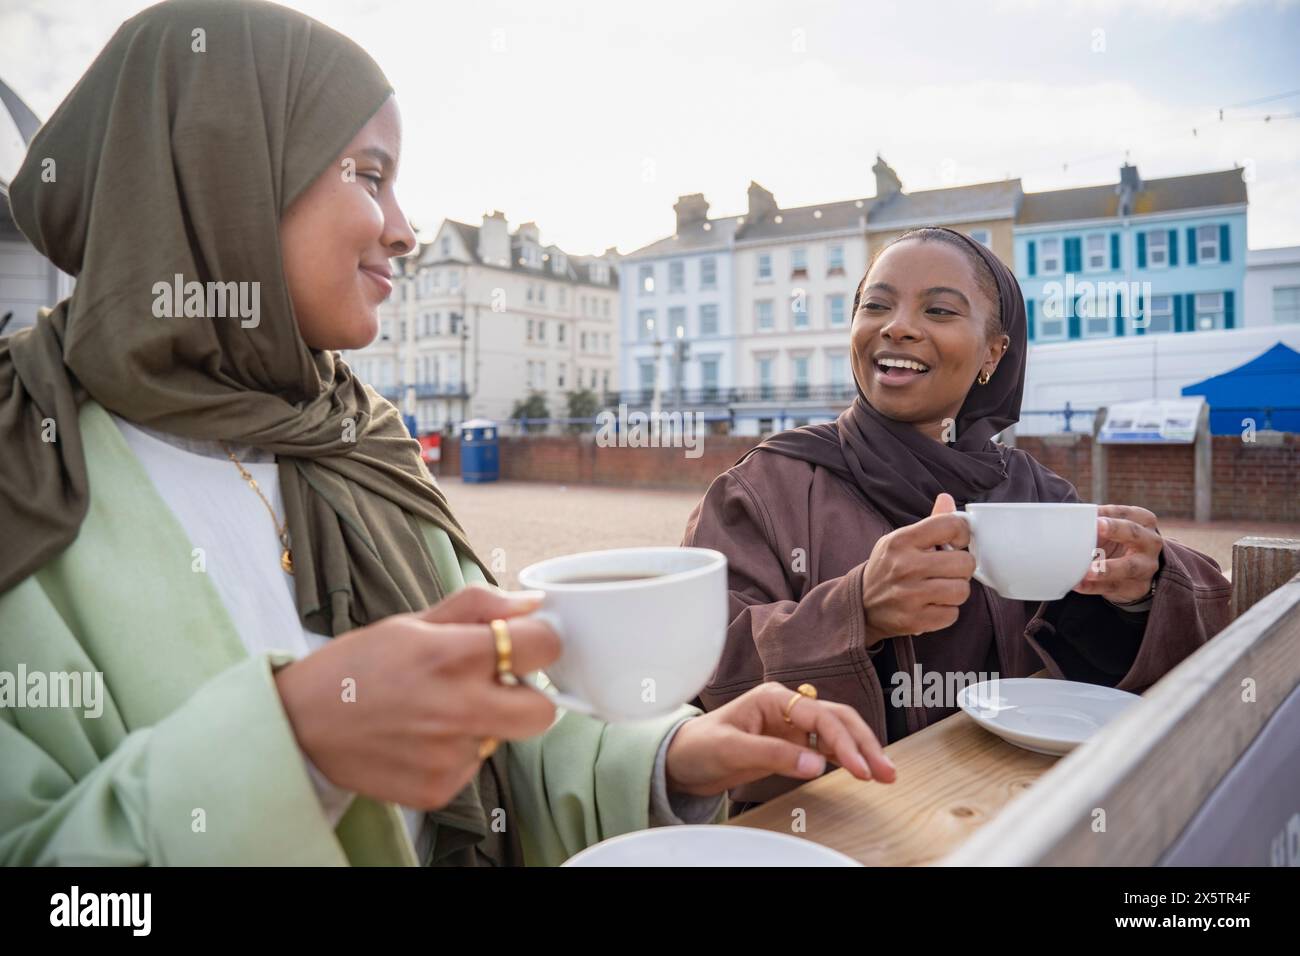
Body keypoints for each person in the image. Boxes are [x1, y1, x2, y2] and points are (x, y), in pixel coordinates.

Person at [0, 0, 895, 867]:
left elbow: (505, 720)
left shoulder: (359, 435)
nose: (405, 230)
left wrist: (672, 755)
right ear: (227, 173)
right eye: (371, 176)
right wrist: (292, 746)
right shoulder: (22, 465)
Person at [683, 226, 1232, 810]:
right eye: (876, 305)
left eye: (939, 309)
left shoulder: (1036, 492)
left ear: (994, 352)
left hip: (1017, 818)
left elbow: (1206, 640)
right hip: (830, 831)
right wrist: (855, 611)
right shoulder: (763, 488)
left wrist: (1143, 588)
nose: (897, 325)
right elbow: (698, 677)